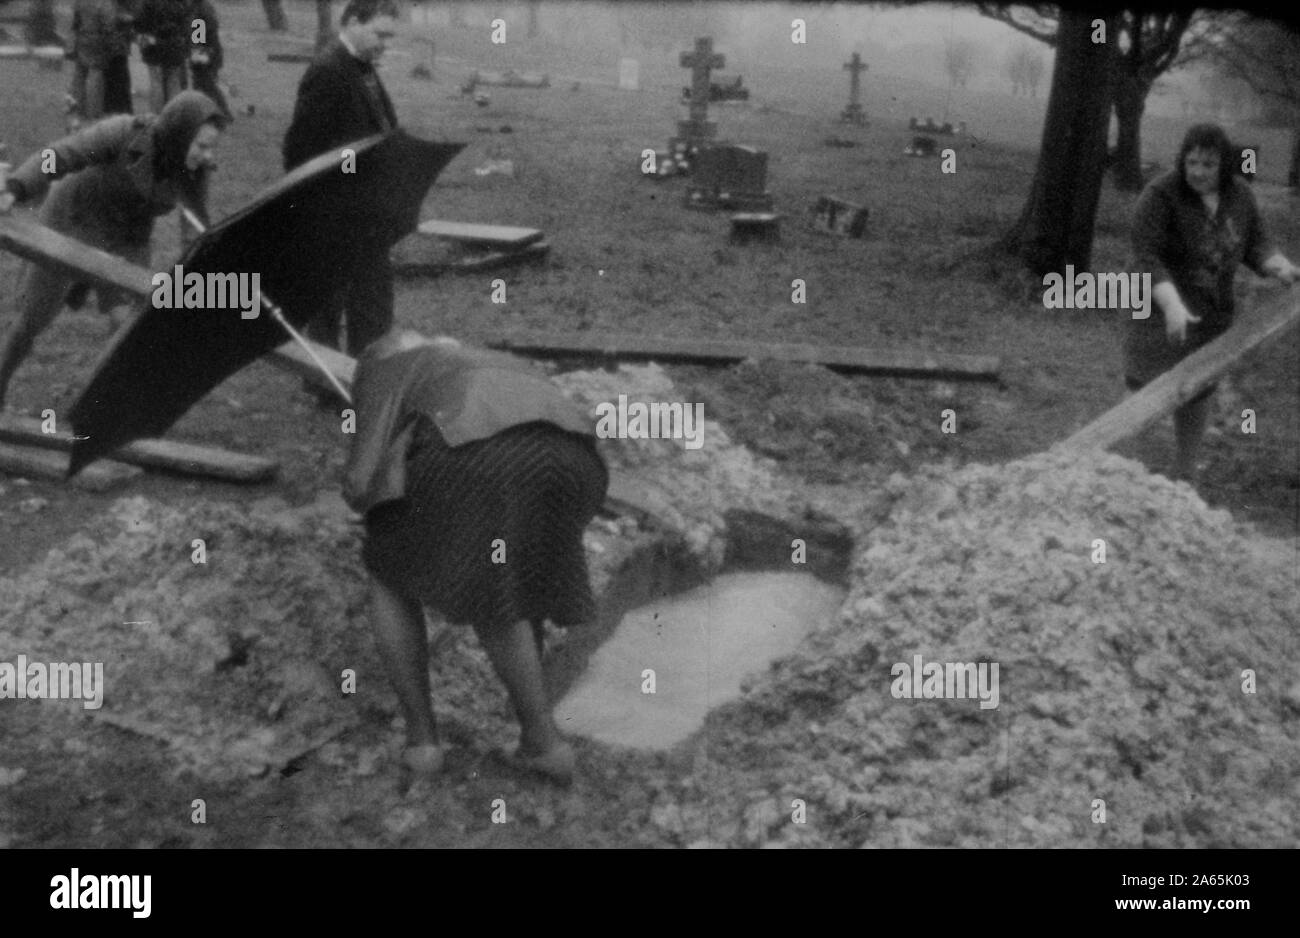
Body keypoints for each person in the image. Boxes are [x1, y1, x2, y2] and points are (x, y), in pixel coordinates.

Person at [342, 329, 609, 785]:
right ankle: (536, 739)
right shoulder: (483, 358)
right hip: (577, 461)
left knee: (387, 566)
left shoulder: (384, 370)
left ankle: (427, 744)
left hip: (481, 457)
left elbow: (360, 483)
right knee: (515, 579)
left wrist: (374, 504)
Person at [0, 91, 227, 410]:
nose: (207, 155)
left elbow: (196, 229)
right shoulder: (123, 132)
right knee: (32, 320)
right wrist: (16, 186)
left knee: (127, 324)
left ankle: (101, 410)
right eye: (202, 145)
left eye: (211, 147)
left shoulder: (194, 170)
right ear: (179, 135)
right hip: (74, 220)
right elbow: (61, 154)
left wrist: (202, 272)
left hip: (128, 238)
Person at [1128, 123, 1298, 482]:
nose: (1197, 172)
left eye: (1208, 164)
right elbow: (1145, 257)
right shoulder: (1160, 195)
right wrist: (1171, 305)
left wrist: (1278, 266)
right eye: (1191, 162)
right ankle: (1131, 480)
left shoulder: (1240, 196)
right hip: (1155, 312)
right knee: (1143, 389)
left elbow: (1255, 243)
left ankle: (1185, 477)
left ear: (1224, 166)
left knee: (1198, 389)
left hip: (1210, 314)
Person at [282, 0, 399, 360]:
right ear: (351, 22)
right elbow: (300, 148)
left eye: (389, 37)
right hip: (335, 208)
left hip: (366, 207)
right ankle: (325, 380)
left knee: (372, 298)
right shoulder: (328, 71)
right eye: (380, 34)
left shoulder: (363, 66)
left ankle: (367, 377)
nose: (385, 44)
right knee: (328, 300)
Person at [66, 0, 134, 128]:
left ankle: (78, 109)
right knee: (95, 78)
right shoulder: (104, 3)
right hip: (97, 43)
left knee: (79, 77)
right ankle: (93, 113)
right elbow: (108, 26)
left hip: (81, 40)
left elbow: (76, 22)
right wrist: (115, 45)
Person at [134, 0, 191, 114]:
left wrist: (143, 35)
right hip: (175, 45)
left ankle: (157, 116)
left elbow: (139, 22)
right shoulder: (182, 3)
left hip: (154, 46)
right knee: (174, 82)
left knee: (156, 82)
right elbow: (188, 22)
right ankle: (174, 115)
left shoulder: (149, 3)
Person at [187, 0, 231, 120]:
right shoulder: (206, 7)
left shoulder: (198, 12)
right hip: (212, 51)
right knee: (204, 84)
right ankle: (206, 112)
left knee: (207, 84)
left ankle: (223, 112)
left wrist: (197, 54)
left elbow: (198, 37)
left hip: (205, 53)